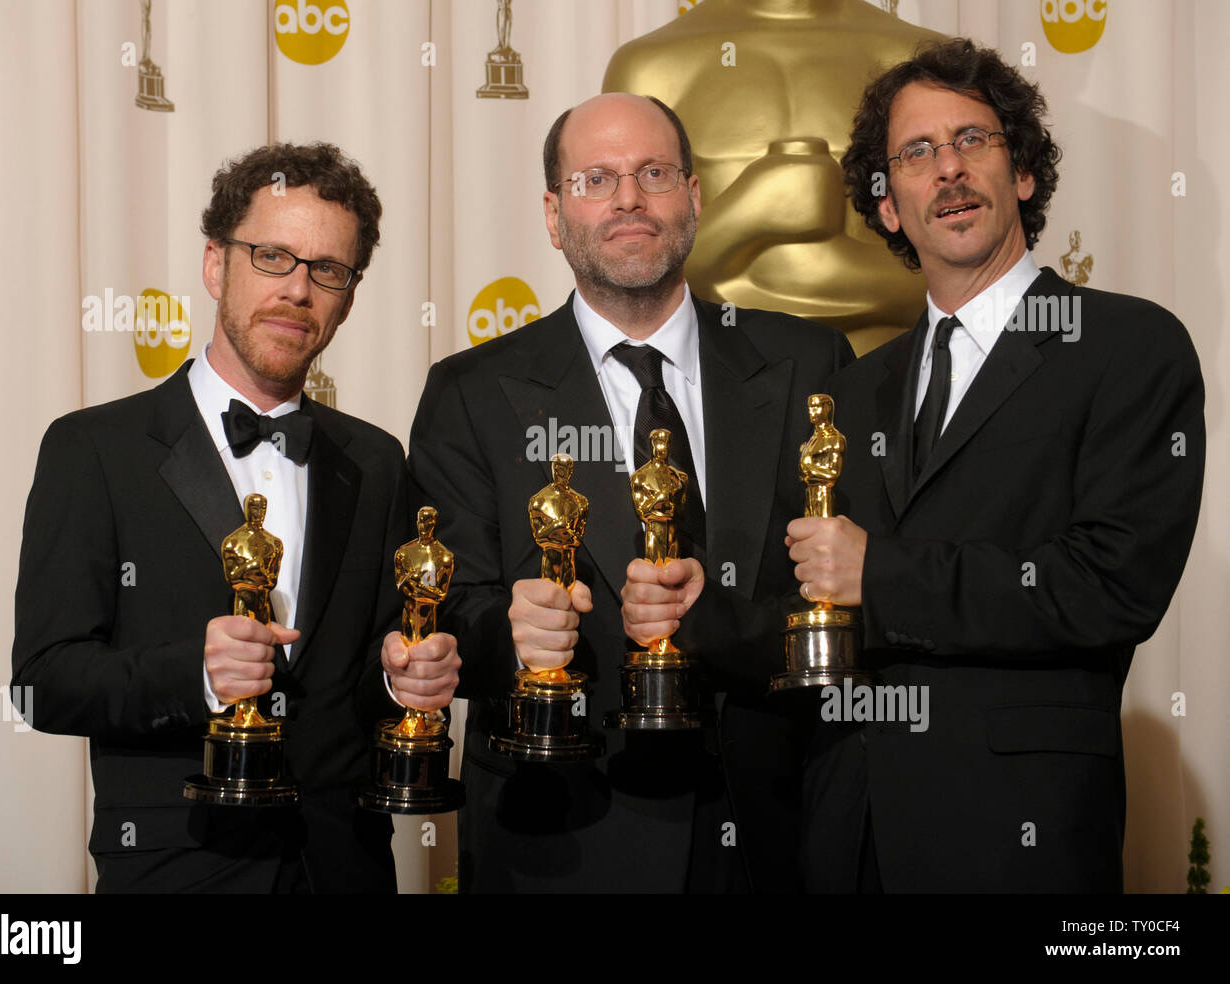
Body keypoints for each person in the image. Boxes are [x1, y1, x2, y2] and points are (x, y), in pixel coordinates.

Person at [785, 38, 1205, 891]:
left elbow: (1112, 585)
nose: (948, 170)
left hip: (1023, 831)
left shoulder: (1128, 344)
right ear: (889, 206)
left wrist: (886, 573)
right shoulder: (854, 392)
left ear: (1022, 176)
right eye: (916, 154)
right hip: (850, 830)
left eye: (973, 140)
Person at [409, 93, 853, 892]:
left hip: (779, 837)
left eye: (653, 172)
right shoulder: (471, 393)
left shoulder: (809, 365)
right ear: (554, 213)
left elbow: (853, 605)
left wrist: (716, 618)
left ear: (695, 194)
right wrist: (516, 634)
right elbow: (438, 624)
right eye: (595, 179)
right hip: (565, 847)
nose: (627, 199)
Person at [12, 142, 460, 893]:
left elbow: (360, 687)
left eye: (328, 270)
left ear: (348, 298)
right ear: (216, 264)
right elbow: (43, 682)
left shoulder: (377, 463)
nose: (298, 291)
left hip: (342, 870)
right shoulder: (94, 449)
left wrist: (401, 681)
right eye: (273, 257)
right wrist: (199, 676)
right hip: (178, 867)